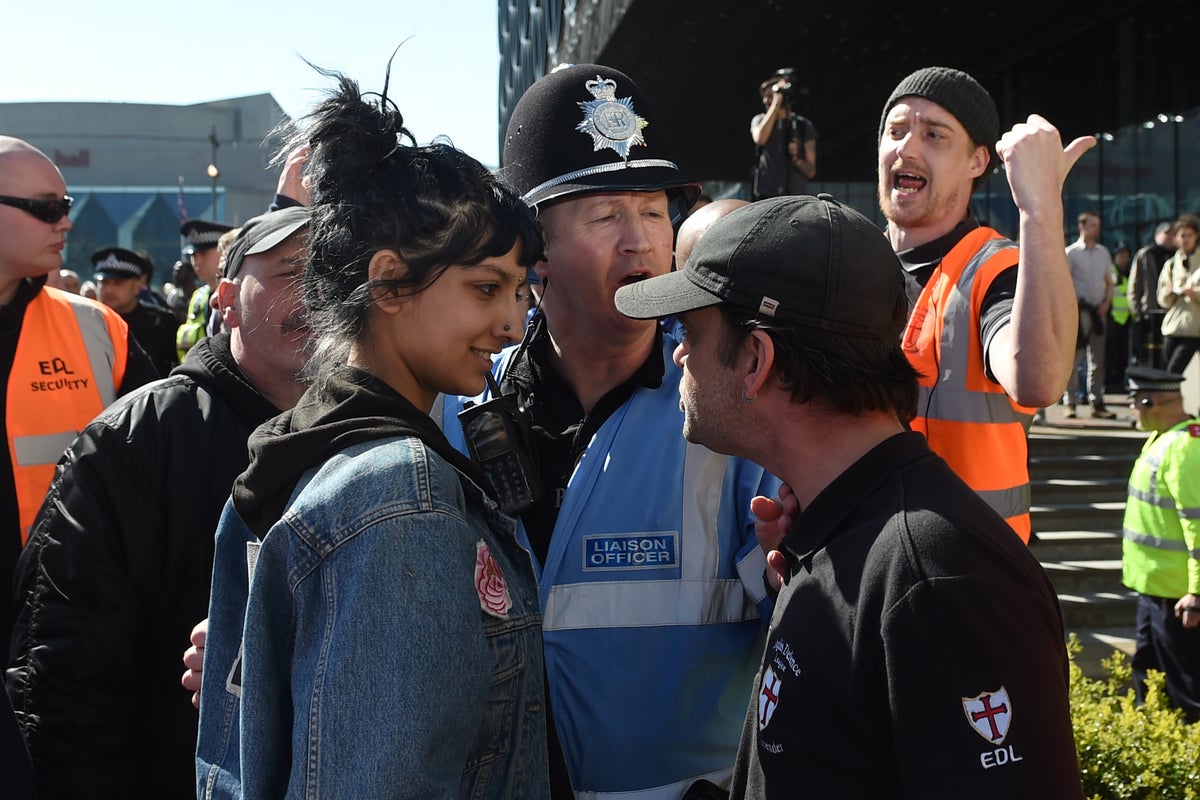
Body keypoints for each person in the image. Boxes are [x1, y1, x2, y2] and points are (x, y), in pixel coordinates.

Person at [614, 193, 1085, 799]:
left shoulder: (933, 580)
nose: (677, 353)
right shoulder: (843, 544)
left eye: (690, 331)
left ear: (756, 359)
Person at [195, 71, 549, 799]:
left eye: (522, 292)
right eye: (486, 289)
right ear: (388, 283)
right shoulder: (397, 498)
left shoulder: (305, 450)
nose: (513, 325)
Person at [441, 62, 779, 798]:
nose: (641, 244)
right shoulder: (454, 407)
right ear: (535, 252)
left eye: (654, 211)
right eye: (605, 217)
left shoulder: (731, 404)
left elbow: (808, 620)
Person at [6, 207, 312, 799]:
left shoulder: (373, 435)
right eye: (289, 271)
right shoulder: (134, 440)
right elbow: (67, 679)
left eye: (331, 272)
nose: (314, 293)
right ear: (225, 298)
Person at [0, 135, 156, 798]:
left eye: (65, 203)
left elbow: (166, 458)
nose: (65, 219)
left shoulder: (99, 332)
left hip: (65, 642)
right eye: (45, 206)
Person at [879, 66, 1093, 542]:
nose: (907, 147)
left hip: (972, 577)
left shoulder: (994, 270)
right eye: (896, 131)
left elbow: (1037, 379)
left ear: (977, 162)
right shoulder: (850, 265)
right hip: (864, 562)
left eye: (934, 135)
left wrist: (1040, 210)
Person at [1120, 365, 1200, 722]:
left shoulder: (1186, 447)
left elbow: (1197, 524)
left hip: (1178, 597)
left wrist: (1197, 592)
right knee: (1148, 675)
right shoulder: (1164, 438)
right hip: (1153, 587)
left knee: (1188, 689)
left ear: (1151, 401)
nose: (1131, 410)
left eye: (1135, 402)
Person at [93, 246, 180, 377]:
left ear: (137, 286)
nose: (109, 290)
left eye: (118, 283)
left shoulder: (162, 323)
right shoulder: (88, 321)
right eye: (104, 282)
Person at [1063, 210, 1116, 418]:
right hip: (1079, 312)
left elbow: (1109, 282)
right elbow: (1064, 282)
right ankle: (1071, 402)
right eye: (1093, 225)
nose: (1097, 229)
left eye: (1098, 225)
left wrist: (1107, 302)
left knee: (1098, 360)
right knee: (1074, 360)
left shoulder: (1103, 252)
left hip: (1099, 311)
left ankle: (1097, 402)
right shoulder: (1071, 253)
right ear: (1082, 226)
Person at [750, 69, 817, 200]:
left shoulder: (803, 125)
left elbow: (811, 171)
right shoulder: (759, 120)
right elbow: (760, 139)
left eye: (770, 96)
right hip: (765, 197)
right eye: (765, 96)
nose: (765, 100)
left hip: (795, 199)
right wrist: (775, 104)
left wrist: (797, 159)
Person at [176, 218, 235, 361]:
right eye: (193, 255)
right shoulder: (198, 297)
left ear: (224, 251)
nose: (196, 261)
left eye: (203, 254)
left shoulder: (237, 295)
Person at [1157, 212, 1200, 375]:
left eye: (1189, 235)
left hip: (1194, 329)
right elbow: (1162, 300)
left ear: (1196, 236)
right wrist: (1169, 293)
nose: (1185, 239)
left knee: (1173, 372)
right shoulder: (1171, 264)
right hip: (1173, 327)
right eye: (1182, 235)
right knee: (1166, 375)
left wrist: (1194, 293)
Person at [1129, 220, 1176, 369]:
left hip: (1170, 313)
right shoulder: (1145, 254)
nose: (1170, 238)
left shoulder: (1177, 256)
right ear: (1157, 235)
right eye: (1166, 234)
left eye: (1173, 235)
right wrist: (1138, 313)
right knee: (1147, 354)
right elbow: (1133, 287)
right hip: (1149, 313)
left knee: (1167, 354)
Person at [1106, 240, 1133, 393]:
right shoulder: (1110, 272)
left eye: (1126, 254)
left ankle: (1119, 381)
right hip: (1112, 317)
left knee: (1123, 354)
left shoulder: (1130, 271)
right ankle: (1109, 383)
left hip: (1126, 318)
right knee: (1111, 353)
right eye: (1121, 254)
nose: (1123, 257)